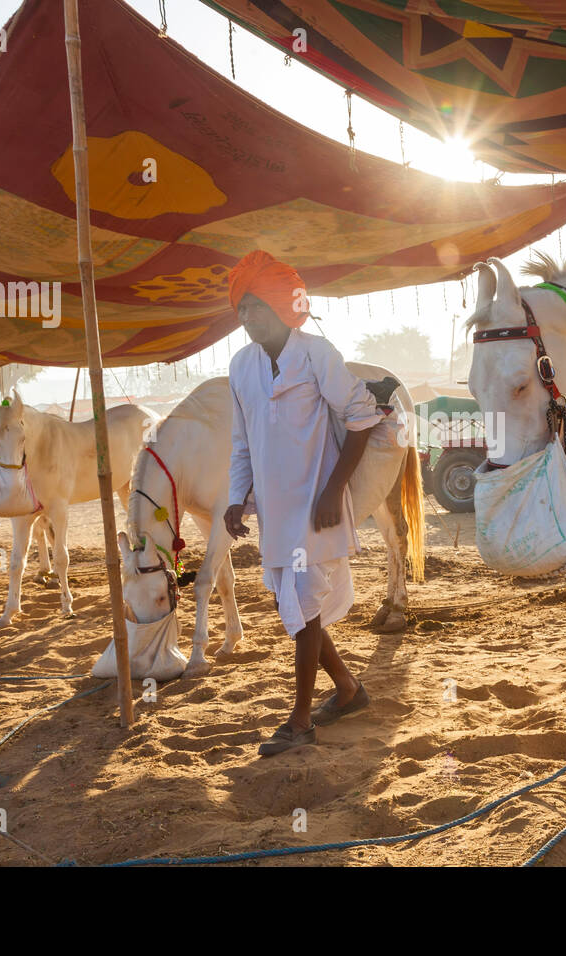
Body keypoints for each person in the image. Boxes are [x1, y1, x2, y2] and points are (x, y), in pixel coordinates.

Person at [222, 250, 382, 756]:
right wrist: (234, 499)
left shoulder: (317, 353)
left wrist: (333, 488)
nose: (247, 318)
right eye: (242, 308)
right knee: (293, 607)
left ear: (280, 308)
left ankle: (300, 719)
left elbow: (363, 417)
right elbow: (242, 441)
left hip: (316, 506)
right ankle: (350, 691)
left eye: (255, 307)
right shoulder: (241, 366)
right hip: (273, 512)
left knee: (303, 609)